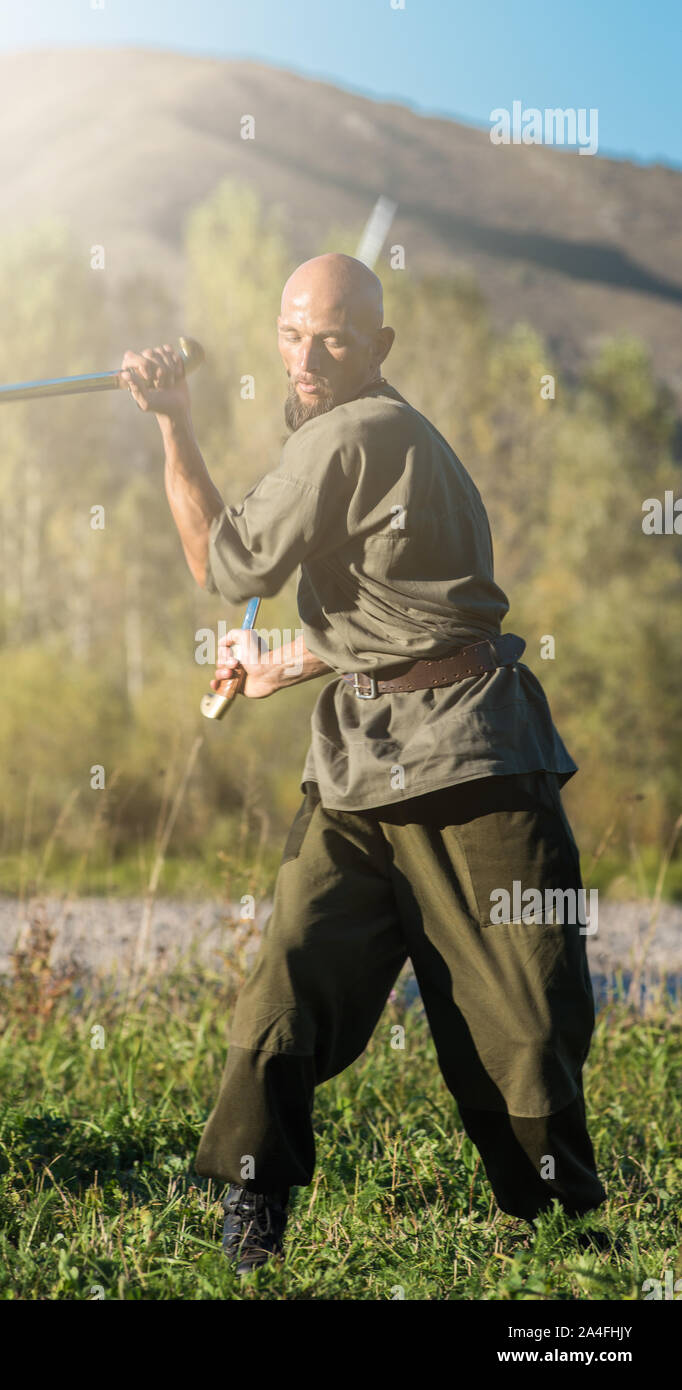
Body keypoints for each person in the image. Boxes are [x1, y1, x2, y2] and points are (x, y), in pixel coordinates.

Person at [119, 253, 606, 1278]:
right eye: (291, 334)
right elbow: (398, 620)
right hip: (358, 769)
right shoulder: (370, 441)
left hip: (470, 763)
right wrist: (286, 657)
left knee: (519, 1021)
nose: (305, 356)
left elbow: (226, 566)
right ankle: (252, 1216)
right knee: (288, 973)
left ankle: (566, 1248)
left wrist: (171, 419)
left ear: (376, 347)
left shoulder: (359, 431)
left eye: (332, 337)